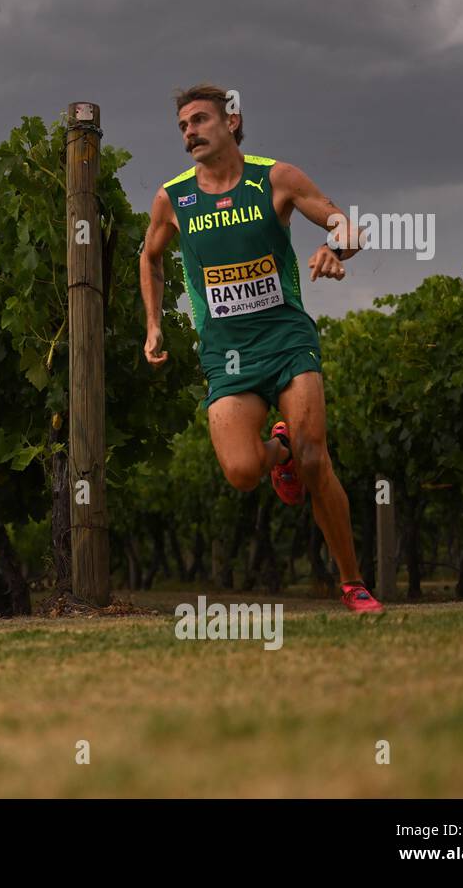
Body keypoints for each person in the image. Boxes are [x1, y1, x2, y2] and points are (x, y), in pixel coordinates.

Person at [139, 83, 383, 613]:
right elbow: (151, 257)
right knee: (243, 473)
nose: (190, 133)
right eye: (183, 126)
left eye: (200, 120)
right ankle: (279, 453)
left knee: (317, 459)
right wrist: (154, 325)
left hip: (286, 338)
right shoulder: (173, 198)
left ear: (232, 121)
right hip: (226, 352)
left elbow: (345, 222)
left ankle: (353, 582)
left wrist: (332, 247)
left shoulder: (275, 178)